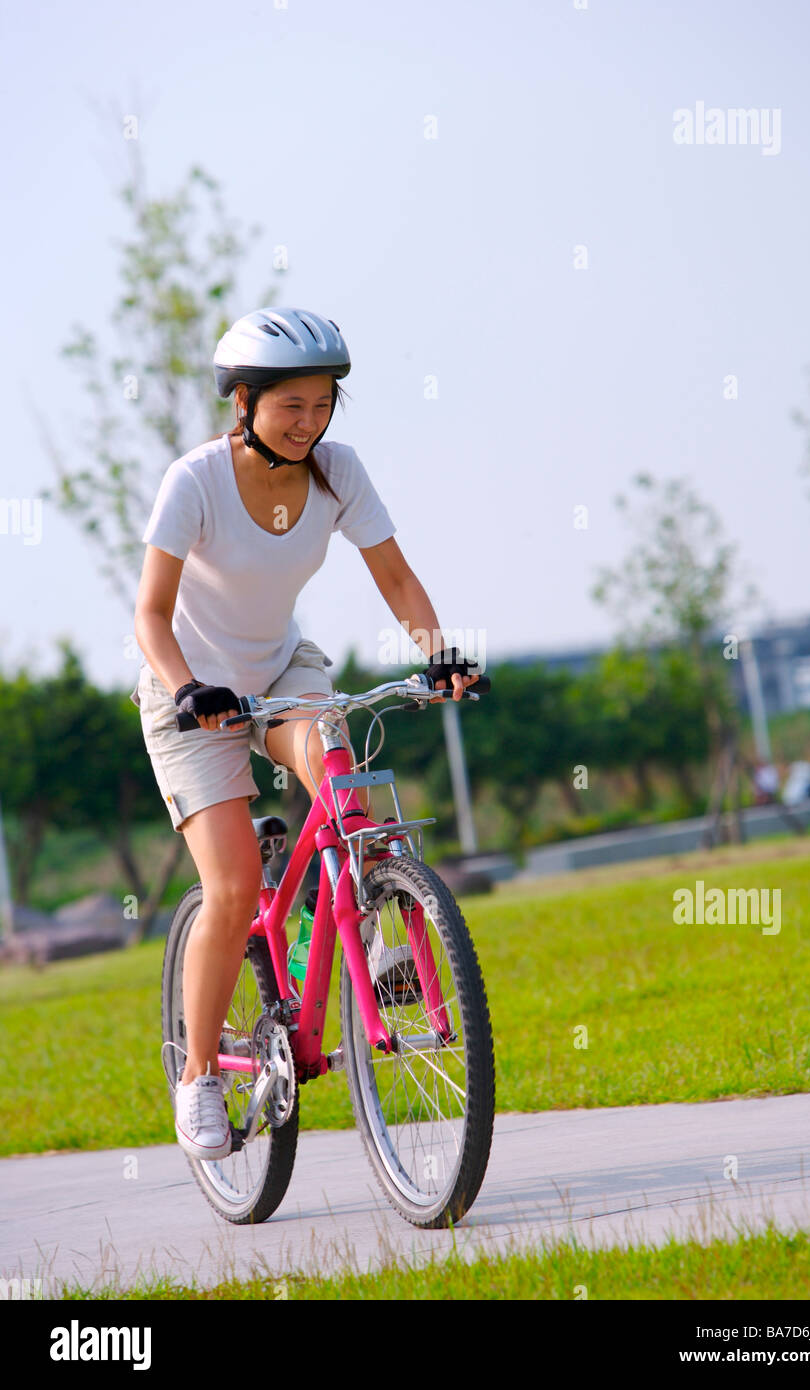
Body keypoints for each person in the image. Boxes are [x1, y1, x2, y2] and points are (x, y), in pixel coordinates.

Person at [132, 306, 481, 1161]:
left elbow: (393, 574)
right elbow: (149, 613)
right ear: (243, 401)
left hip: (282, 670)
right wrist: (188, 690)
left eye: (324, 404)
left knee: (337, 759)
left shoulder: (338, 472)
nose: (310, 421)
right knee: (232, 885)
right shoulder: (195, 481)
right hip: (193, 692)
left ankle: (368, 915)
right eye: (291, 404)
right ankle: (198, 1082)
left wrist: (438, 654)